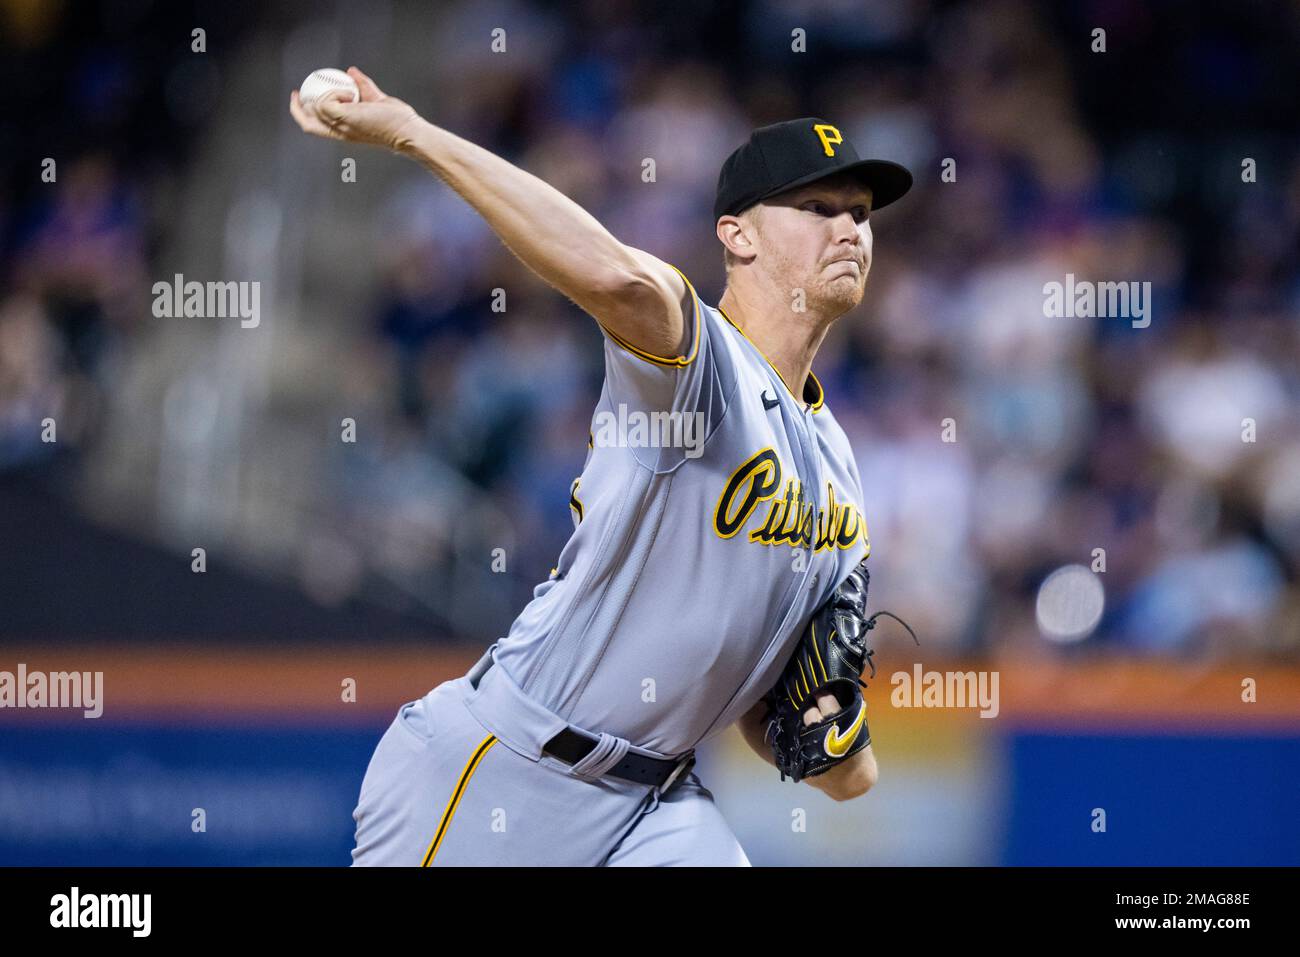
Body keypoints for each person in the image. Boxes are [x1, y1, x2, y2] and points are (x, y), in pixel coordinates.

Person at [290, 67, 912, 866]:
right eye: (817, 208)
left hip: (660, 803)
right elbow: (617, 276)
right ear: (738, 234)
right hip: (510, 767)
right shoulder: (701, 363)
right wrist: (413, 132)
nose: (849, 230)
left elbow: (805, 739)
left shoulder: (839, 466)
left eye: (860, 214)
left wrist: (838, 739)